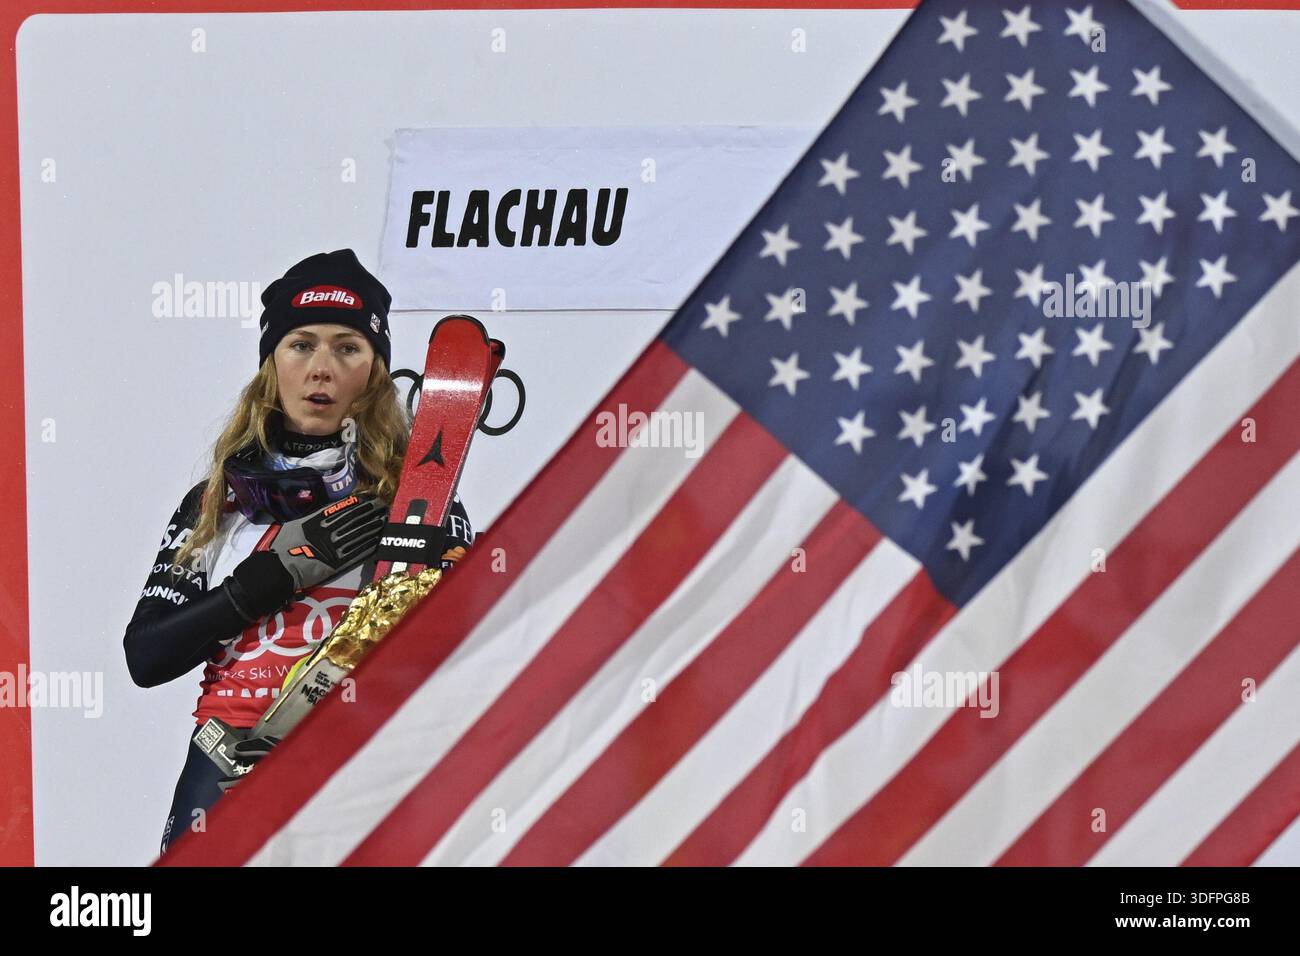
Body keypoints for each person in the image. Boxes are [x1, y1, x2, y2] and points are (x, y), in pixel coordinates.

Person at [122, 249, 474, 855]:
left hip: (363, 762)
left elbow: (472, 653)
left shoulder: (421, 499)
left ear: (376, 372)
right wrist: (256, 587)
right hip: (229, 754)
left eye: (347, 348)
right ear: (270, 364)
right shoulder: (216, 504)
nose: (321, 369)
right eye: (301, 344)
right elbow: (146, 656)